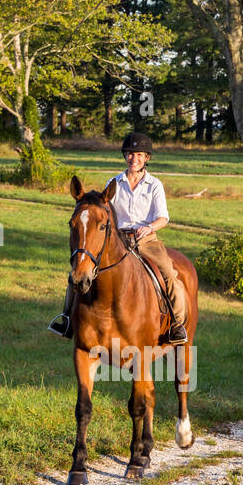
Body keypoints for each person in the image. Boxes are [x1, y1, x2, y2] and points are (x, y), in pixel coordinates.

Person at [51, 131, 189, 345]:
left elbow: (163, 217)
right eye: (130, 155)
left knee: (169, 274)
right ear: (125, 156)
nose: (134, 159)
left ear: (146, 159)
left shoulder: (154, 185)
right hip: (117, 239)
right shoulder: (114, 182)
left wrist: (148, 227)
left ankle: (177, 325)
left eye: (139, 155)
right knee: (78, 271)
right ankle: (67, 319)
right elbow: (104, 212)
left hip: (146, 240)